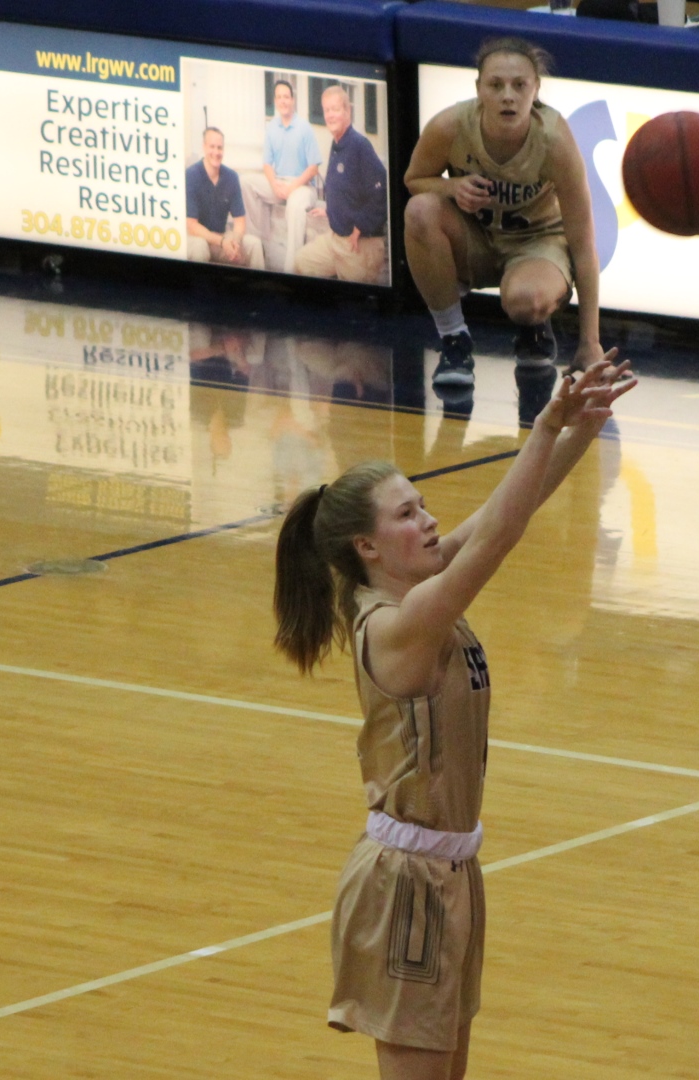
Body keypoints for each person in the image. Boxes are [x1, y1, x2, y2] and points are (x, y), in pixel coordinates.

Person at [273, 358, 635, 1080]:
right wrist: (544, 425)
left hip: (452, 872)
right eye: (407, 514)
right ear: (367, 548)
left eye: (422, 504)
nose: (430, 519)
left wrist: (581, 430)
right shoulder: (398, 626)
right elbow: (498, 538)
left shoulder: (423, 588)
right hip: (407, 886)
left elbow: (512, 511)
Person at [403, 37, 605, 389]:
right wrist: (451, 188)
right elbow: (415, 180)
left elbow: (585, 245)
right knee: (420, 210)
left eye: (519, 85)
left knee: (526, 300)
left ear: (536, 89)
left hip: (537, 244)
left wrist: (590, 343)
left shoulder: (555, 140)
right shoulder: (450, 126)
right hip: (476, 239)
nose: (507, 95)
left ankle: (534, 326)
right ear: (478, 89)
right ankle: (454, 340)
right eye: (495, 85)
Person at [295, 84, 389, 286]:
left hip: (359, 244)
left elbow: (382, 193)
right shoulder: (337, 144)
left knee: (354, 304)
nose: (330, 115)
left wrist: (360, 227)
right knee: (300, 263)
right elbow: (347, 190)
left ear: (348, 111)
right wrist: (331, 211)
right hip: (335, 239)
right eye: (326, 110)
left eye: (335, 109)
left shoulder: (359, 145)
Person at [243, 79, 323, 274]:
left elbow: (313, 168)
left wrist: (292, 186)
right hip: (280, 184)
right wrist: (274, 183)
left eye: (286, 96)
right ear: (276, 101)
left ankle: (291, 268)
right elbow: (266, 164)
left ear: (292, 100)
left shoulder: (304, 127)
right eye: (279, 97)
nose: (282, 101)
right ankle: (257, 242)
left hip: (303, 186)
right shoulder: (271, 128)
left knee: (295, 204)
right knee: (246, 182)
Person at [186, 128, 267, 270]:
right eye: (212, 147)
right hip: (196, 238)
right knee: (200, 247)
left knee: (253, 244)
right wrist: (222, 241)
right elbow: (191, 226)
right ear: (204, 147)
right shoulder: (191, 175)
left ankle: (259, 289)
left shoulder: (231, 177)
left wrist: (234, 242)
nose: (216, 152)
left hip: (221, 238)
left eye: (220, 148)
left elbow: (240, 220)